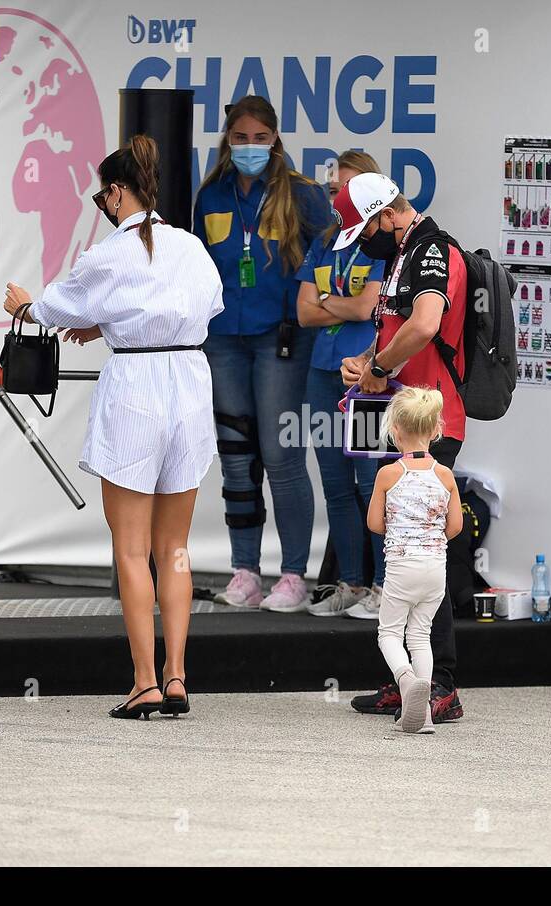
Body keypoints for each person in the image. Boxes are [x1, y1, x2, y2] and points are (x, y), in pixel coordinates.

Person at [2, 135, 223, 720]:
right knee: (174, 548)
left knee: (130, 549)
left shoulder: (109, 254)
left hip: (136, 388)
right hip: (189, 382)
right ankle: (178, 676)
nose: (103, 203)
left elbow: (55, 309)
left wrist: (24, 305)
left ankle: (144, 681)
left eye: (105, 194)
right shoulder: (190, 248)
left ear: (118, 192)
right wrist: (116, 323)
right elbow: (201, 308)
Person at [334, 173, 469, 724]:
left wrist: (380, 368)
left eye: (365, 231)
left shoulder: (432, 249)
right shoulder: (404, 253)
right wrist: (367, 364)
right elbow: (395, 327)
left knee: (423, 553)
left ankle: (442, 685)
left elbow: (426, 323)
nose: (363, 242)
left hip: (434, 420)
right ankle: (408, 679)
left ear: (388, 214)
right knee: (406, 554)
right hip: (404, 419)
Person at [193, 95, 332, 612]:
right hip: (223, 341)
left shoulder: (302, 195)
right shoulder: (210, 195)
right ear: (227, 141)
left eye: (259, 137)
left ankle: (293, 575)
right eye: (240, 137)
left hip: (283, 343)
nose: (250, 146)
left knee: (281, 458)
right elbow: (201, 266)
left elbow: (327, 261)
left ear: (275, 139)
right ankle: (245, 571)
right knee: (236, 459)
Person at [295, 150, 386, 617]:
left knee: (371, 483)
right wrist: (340, 302)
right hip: (321, 374)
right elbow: (302, 312)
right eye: (334, 190)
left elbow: (370, 308)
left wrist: (329, 299)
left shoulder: (382, 243)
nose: (339, 198)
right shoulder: (325, 242)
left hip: (367, 375)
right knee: (335, 483)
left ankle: (383, 586)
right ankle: (350, 582)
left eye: (348, 189)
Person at [367, 387, 462, 734]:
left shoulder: (388, 475)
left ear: (394, 431)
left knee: (389, 634)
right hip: (435, 569)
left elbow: (375, 524)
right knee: (421, 635)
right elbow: (455, 527)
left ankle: (407, 683)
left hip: (401, 568)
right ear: (436, 430)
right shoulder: (445, 476)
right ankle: (422, 717)